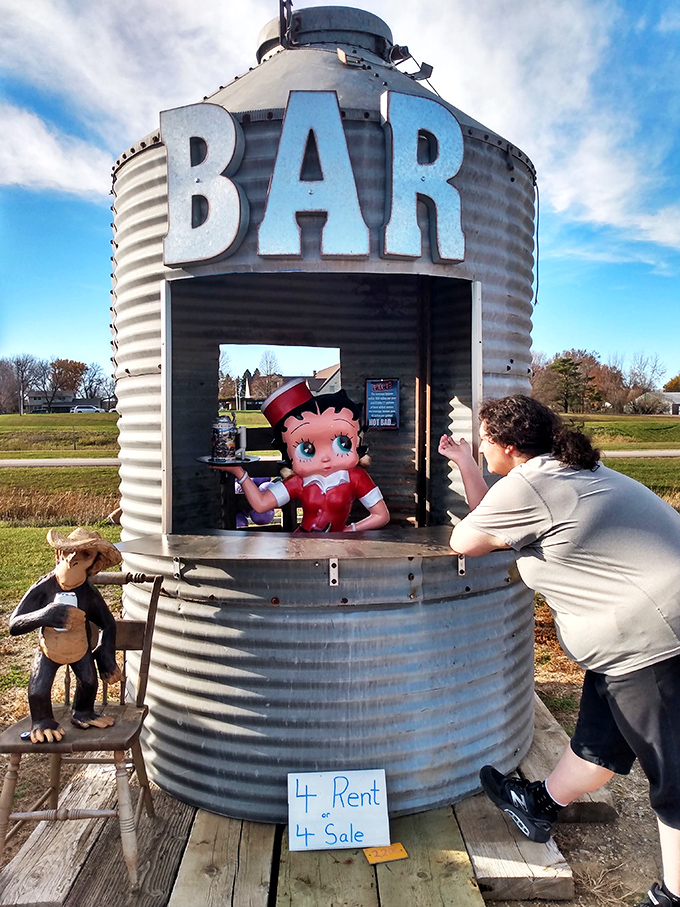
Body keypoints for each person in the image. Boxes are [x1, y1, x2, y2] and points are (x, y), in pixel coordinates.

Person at [438, 394, 680, 907]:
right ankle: (540, 805)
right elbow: (497, 518)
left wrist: (471, 486)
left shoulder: (533, 484)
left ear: (506, 446)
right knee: (597, 743)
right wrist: (462, 462)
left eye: (483, 443)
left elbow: (466, 540)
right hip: (628, 639)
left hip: (657, 642)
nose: (481, 449)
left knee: (673, 777)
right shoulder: (564, 471)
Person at [221, 379, 389, 532]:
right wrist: (239, 473)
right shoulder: (299, 482)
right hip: (303, 541)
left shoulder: (356, 477)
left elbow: (381, 515)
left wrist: (350, 530)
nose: (325, 457)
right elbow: (261, 505)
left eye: (342, 443)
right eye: (307, 449)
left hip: (339, 543)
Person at [10, 527, 123, 743]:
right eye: (68, 552)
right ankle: (42, 721)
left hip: (79, 647)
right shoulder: (44, 587)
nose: (73, 559)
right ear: (59, 554)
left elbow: (107, 624)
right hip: (49, 648)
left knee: (89, 682)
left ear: (95, 564)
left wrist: (105, 655)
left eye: (85, 555)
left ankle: (83, 712)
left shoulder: (88, 593)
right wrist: (45, 615)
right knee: (38, 689)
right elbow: (14, 624)